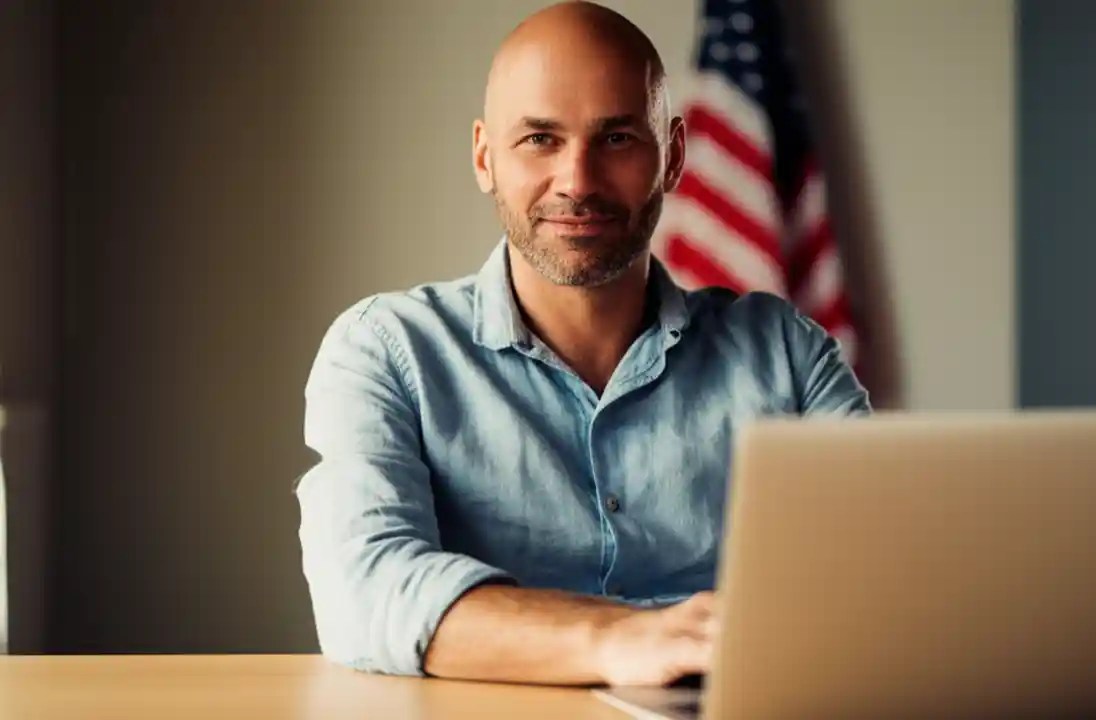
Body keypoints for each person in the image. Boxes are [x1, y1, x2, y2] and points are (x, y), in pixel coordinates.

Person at [295, 0, 870, 687]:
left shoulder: (789, 355)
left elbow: (882, 573)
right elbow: (365, 590)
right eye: (540, 139)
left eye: (618, 138)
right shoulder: (385, 352)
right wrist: (619, 640)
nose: (578, 181)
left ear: (674, 155)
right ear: (485, 156)